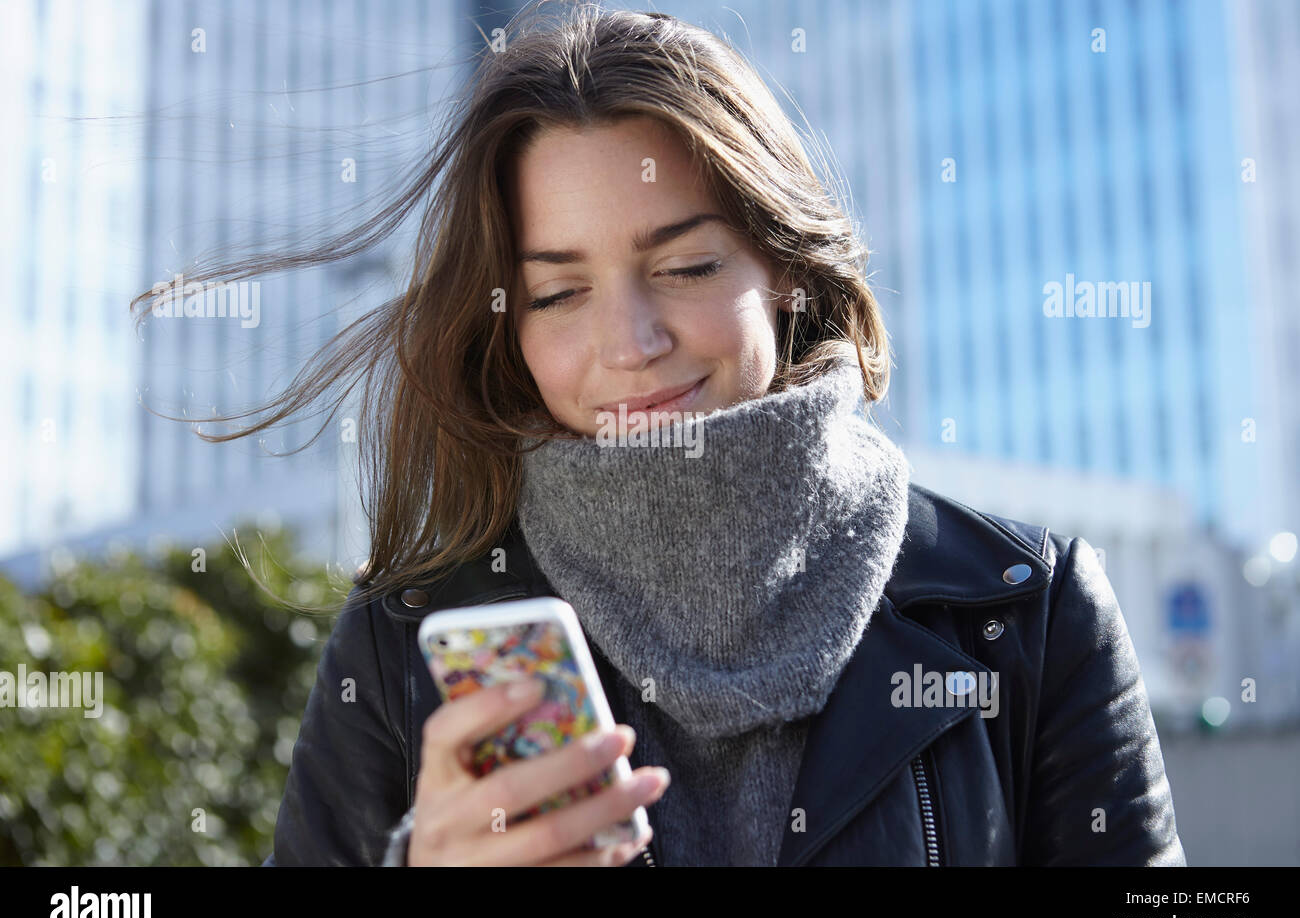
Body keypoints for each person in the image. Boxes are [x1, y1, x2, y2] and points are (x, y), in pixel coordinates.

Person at [141, 2, 1185, 866]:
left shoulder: (1023, 611)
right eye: (557, 292)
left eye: (686, 267)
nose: (628, 343)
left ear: (783, 271)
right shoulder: (395, 645)